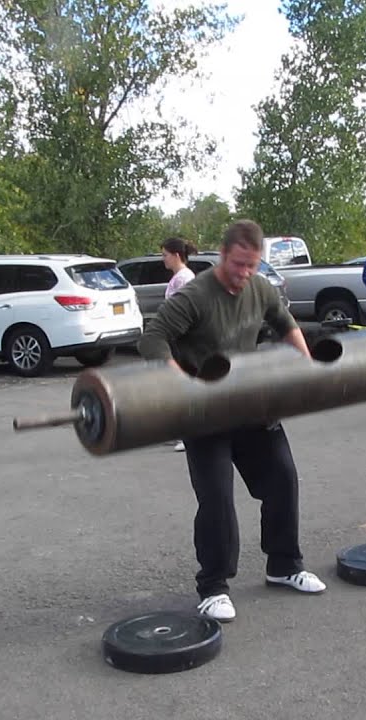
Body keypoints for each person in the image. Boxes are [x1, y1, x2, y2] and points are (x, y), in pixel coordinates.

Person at [137, 219, 326, 623]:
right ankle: (213, 588)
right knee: (218, 499)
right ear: (223, 255)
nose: (244, 274)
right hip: (204, 412)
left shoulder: (259, 288)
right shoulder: (196, 295)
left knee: (282, 479)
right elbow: (152, 337)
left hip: (249, 403)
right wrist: (182, 380)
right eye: (239, 264)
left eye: (252, 266)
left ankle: (284, 565)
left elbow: (285, 322)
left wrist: (308, 364)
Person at [161, 236, 198, 452]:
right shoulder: (178, 278)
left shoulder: (184, 278)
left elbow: (185, 311)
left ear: (176, 255)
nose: (163, 260)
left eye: (165, 255)